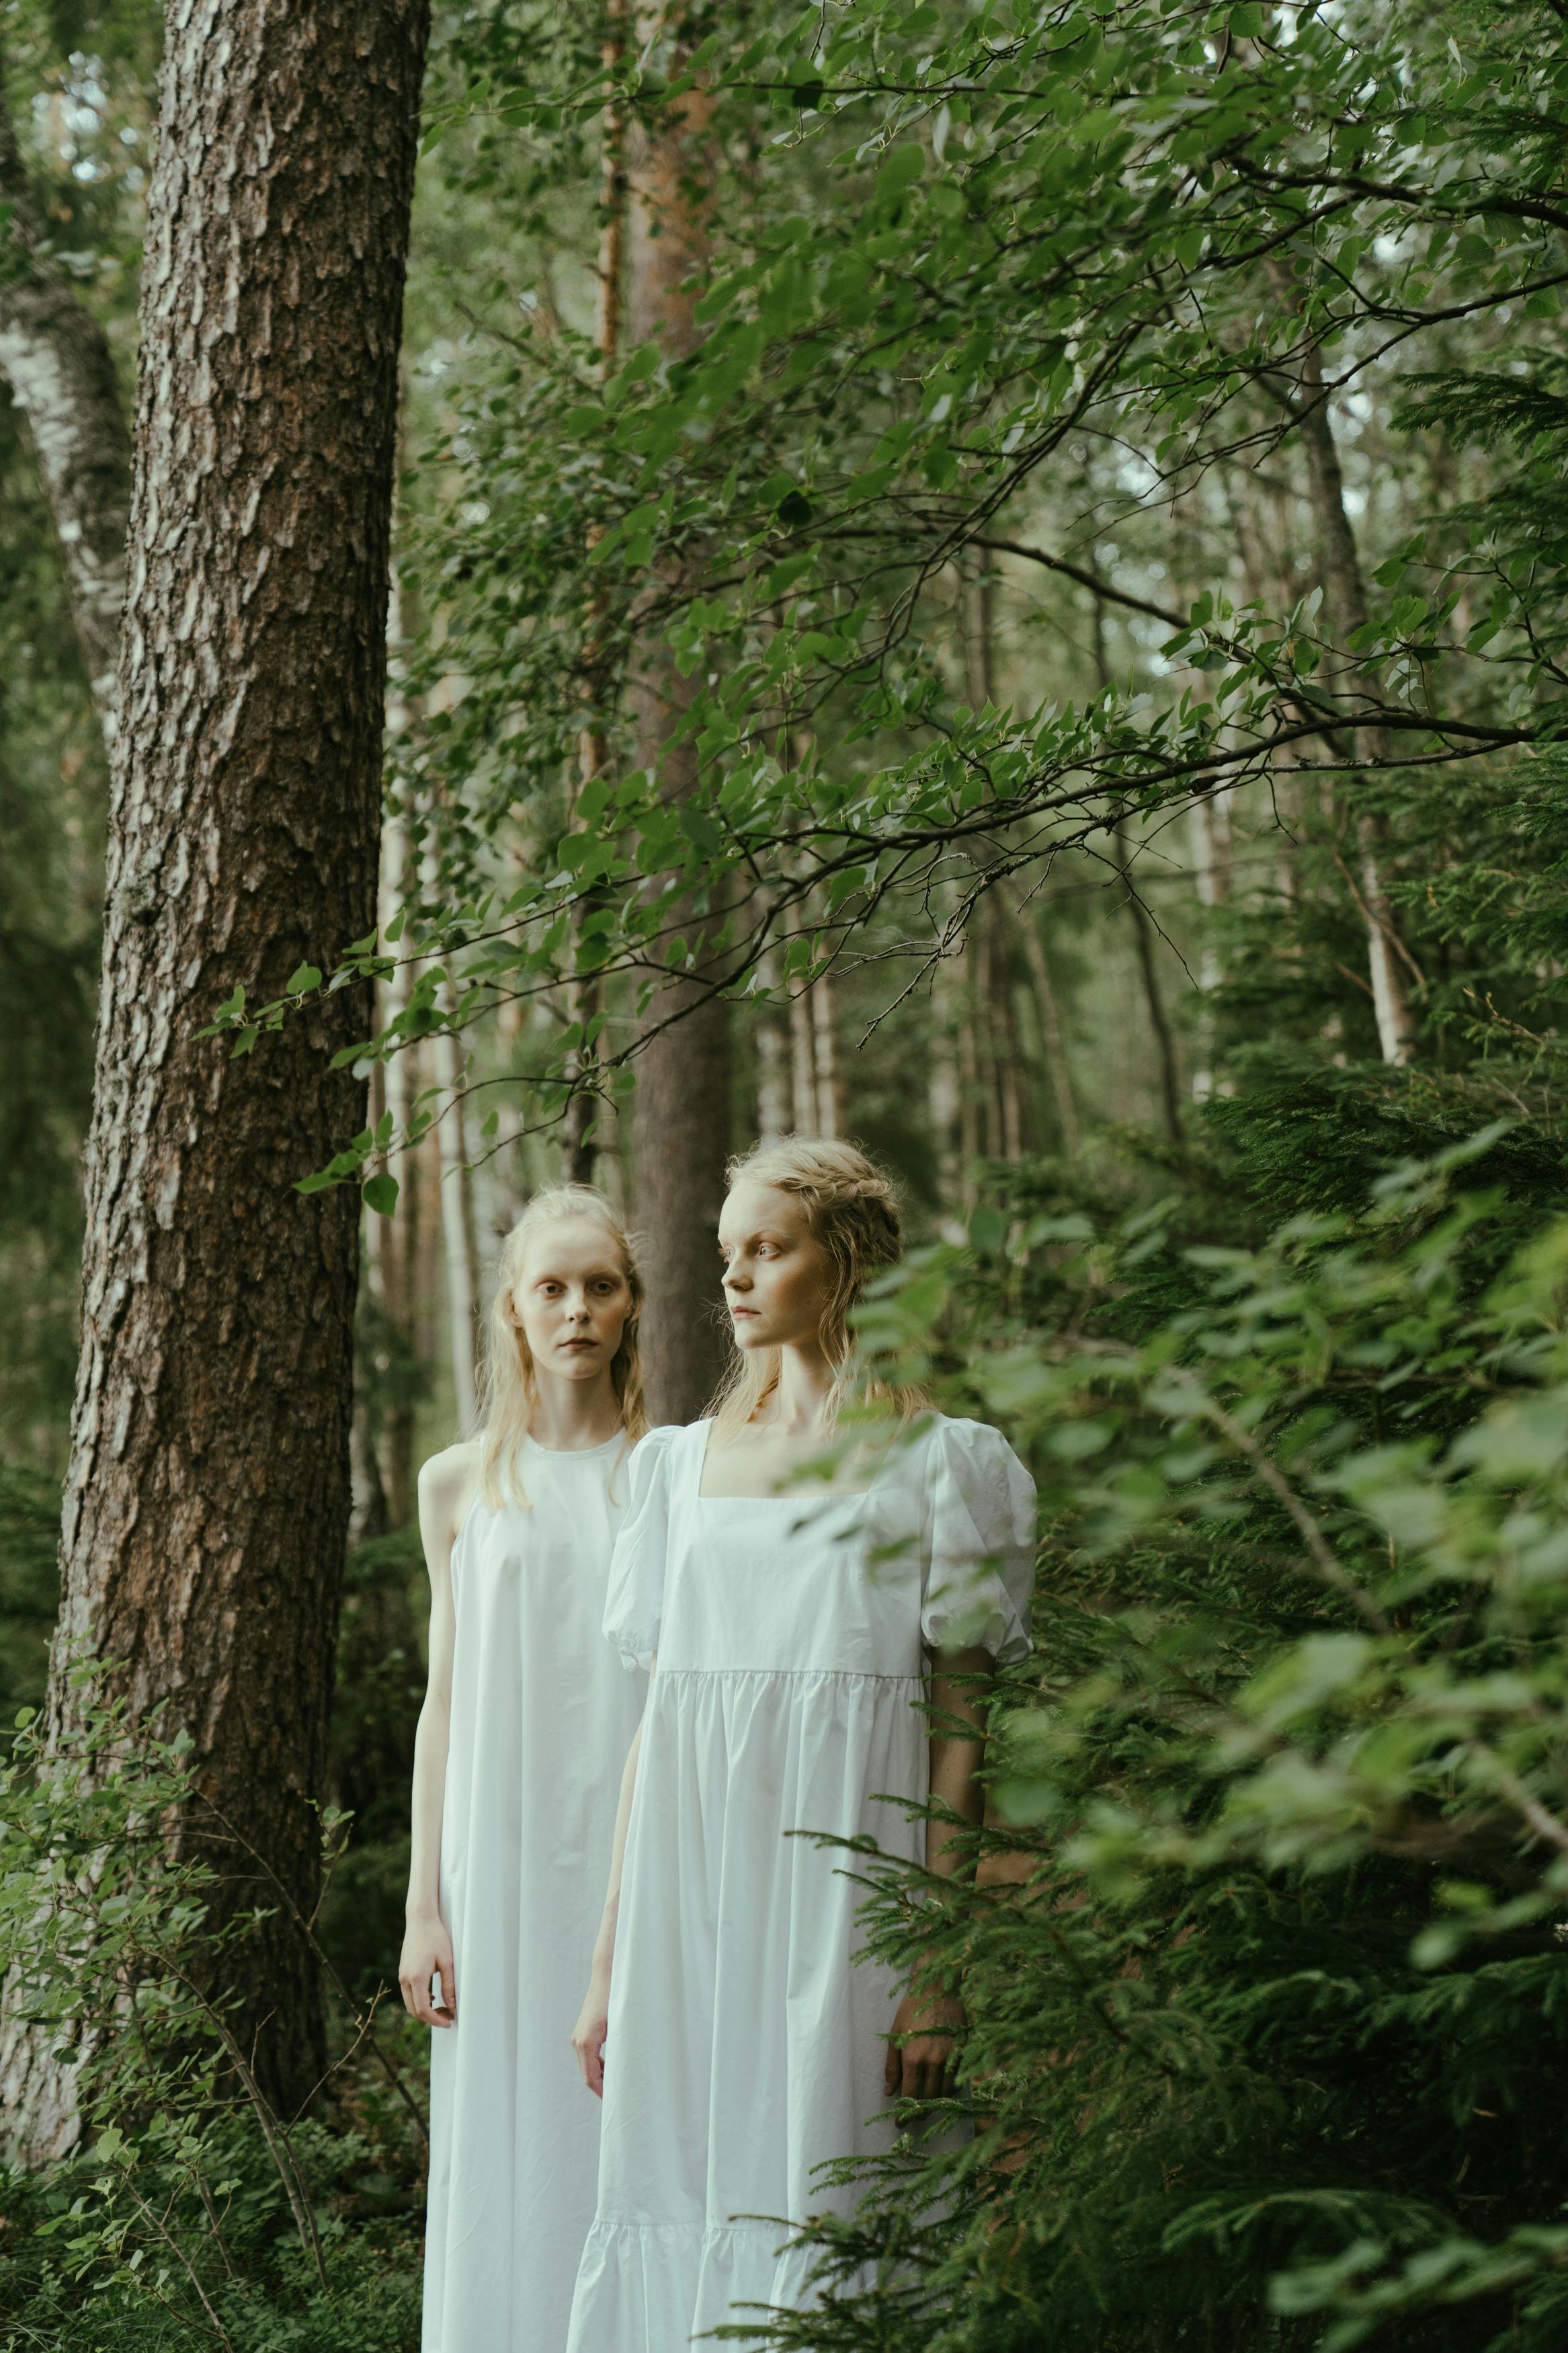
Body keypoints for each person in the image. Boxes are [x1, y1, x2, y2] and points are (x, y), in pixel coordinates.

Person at [567, 1137, 1036, 2349]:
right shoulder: (674, 1470)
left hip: (851, 1888)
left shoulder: (944, 1463)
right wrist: (610, 1964)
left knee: (840, 2182)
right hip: (694, 1897)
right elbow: (655, 1735)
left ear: (848, 1264)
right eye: (727, 1256)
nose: (735, 1280)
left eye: (767, 1250)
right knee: (681, 2177)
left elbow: (961, 1733)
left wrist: (938, 1966)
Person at [403, 1183, 649, 2353]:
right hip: (491, 1871)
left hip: (626, 1854)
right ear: (513, 1310)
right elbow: (442, 1703)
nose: (576, 1310)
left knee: (621, 2130)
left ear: (630, 1305)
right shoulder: (457, 1483)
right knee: (503, 2142)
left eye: (599, 1285)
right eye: (551, 1287)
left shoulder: (669, 1477)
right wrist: (422, 1912)